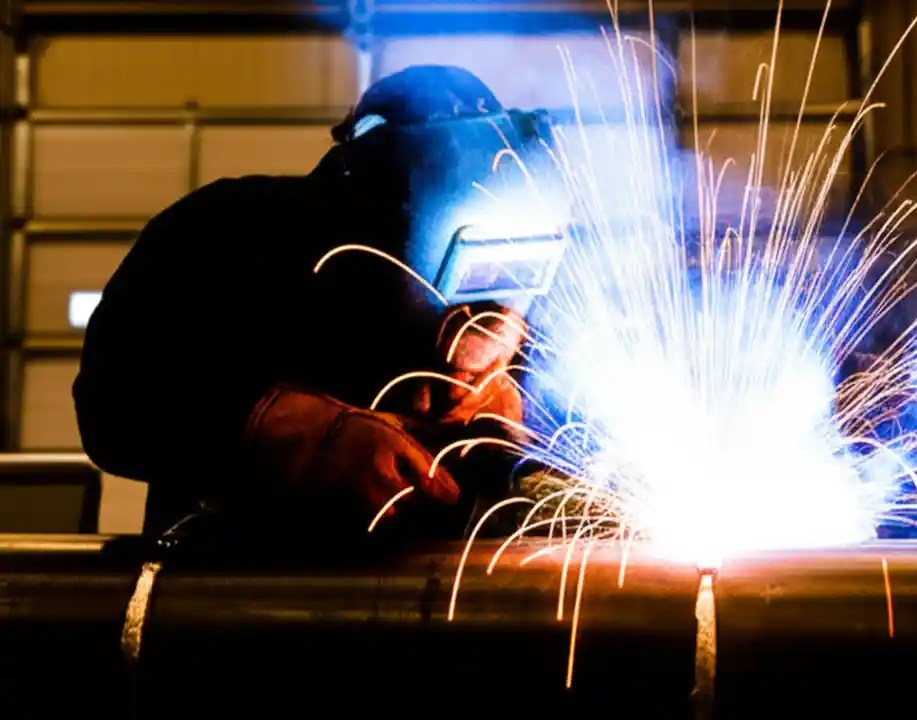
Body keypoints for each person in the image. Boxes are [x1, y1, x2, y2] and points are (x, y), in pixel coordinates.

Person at [74, 66, 561, 544]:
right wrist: (296, 436)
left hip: (444, 605)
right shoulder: (225, 240)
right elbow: (110, 407)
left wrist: (531, 432)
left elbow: (586, 422)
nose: (470, 345)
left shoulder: (540, 286)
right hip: (235, 597)